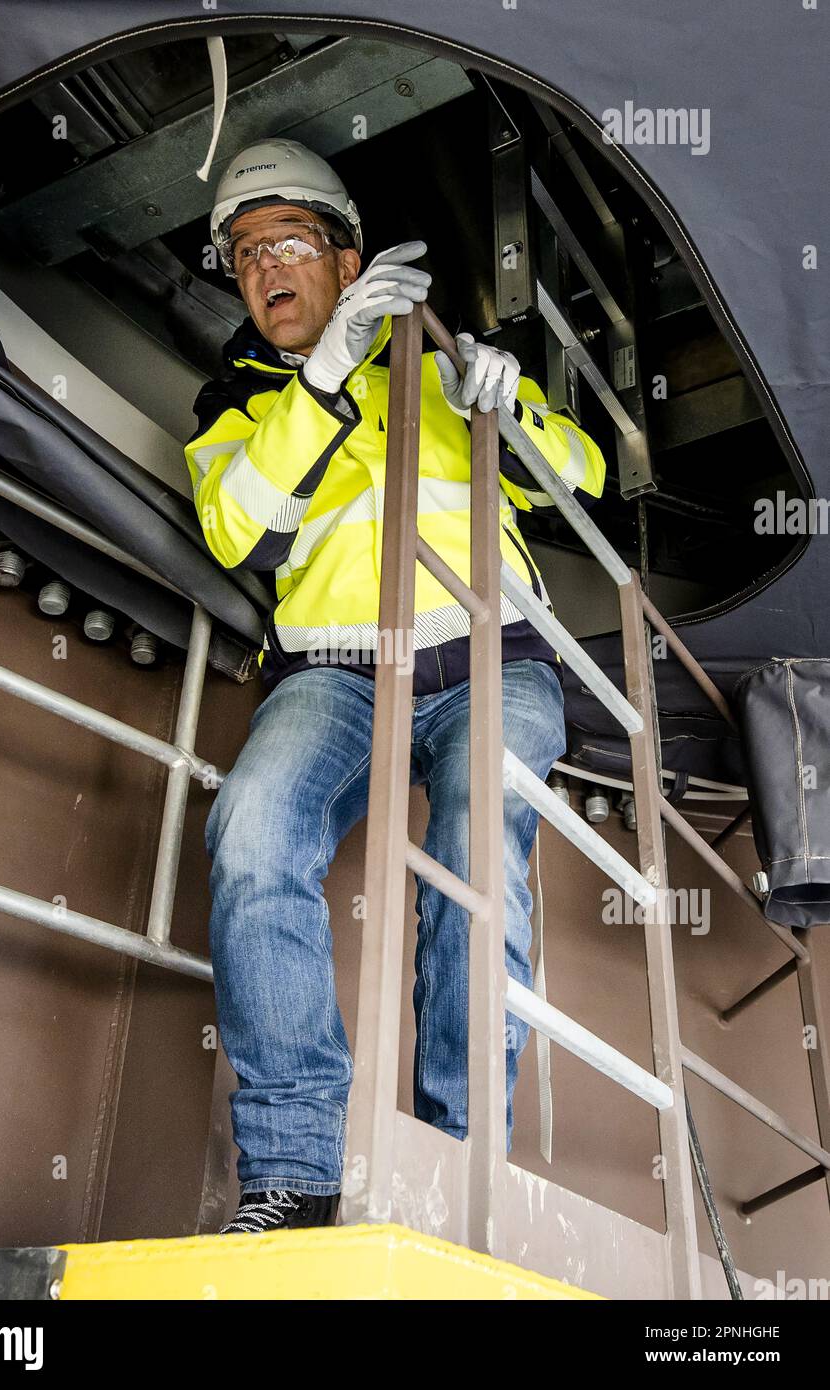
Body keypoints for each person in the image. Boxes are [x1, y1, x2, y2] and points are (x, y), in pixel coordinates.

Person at [185, 137, 606, 1235]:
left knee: (476, 848)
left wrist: (509, 410)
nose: (263, 267)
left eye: (285, 241)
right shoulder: (235, 403)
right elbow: (238, 528)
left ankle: (454, 1172)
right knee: (251, 832)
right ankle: (291, 1173)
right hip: (333, 675)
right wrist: (321, 378)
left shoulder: (439, 361)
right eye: (241, 254)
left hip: (489, 659)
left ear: (345, 256)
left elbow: (586, 478)